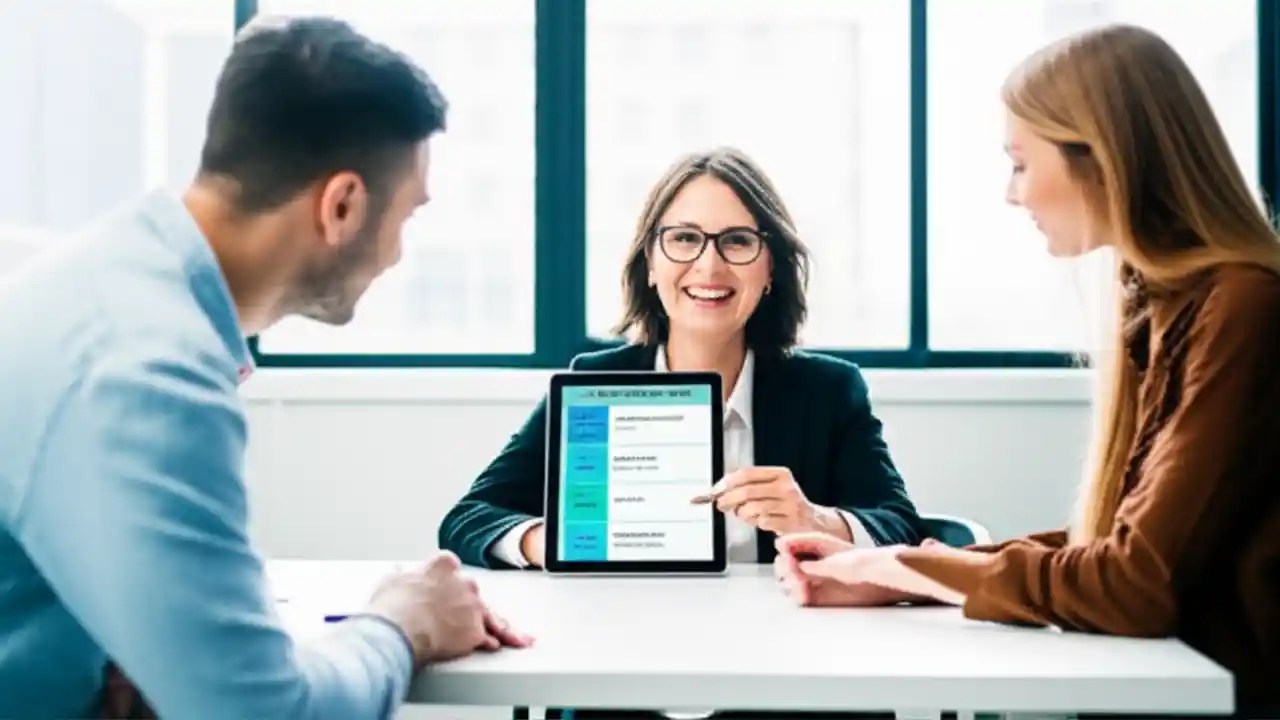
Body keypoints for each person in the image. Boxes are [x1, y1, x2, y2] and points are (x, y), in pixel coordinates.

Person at [0, 16, 530, 719]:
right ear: (342, 205)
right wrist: (401, 624)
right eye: (406, 217)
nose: (398, 253)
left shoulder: (103, 282)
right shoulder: (150, 373)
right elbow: (262, 713)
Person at [774, 24, 1280, 718]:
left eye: (1019, 162)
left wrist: (910, 567)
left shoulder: (1243, 307)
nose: (1014, 194)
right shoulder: (1165, 311)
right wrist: (917, 571)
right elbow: (1108, 543)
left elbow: (1133, 582)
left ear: (1102, 159)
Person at [439, 146, 924, 574]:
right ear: (651, 262)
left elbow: (901, 527)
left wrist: (814, 519)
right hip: (625, 630)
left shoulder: (828, 391)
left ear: (770, 267)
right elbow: (468, 519)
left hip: (781, 641)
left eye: (737, 241)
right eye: (685, 239)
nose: (709, 266)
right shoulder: (594, 382)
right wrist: (557, 545)